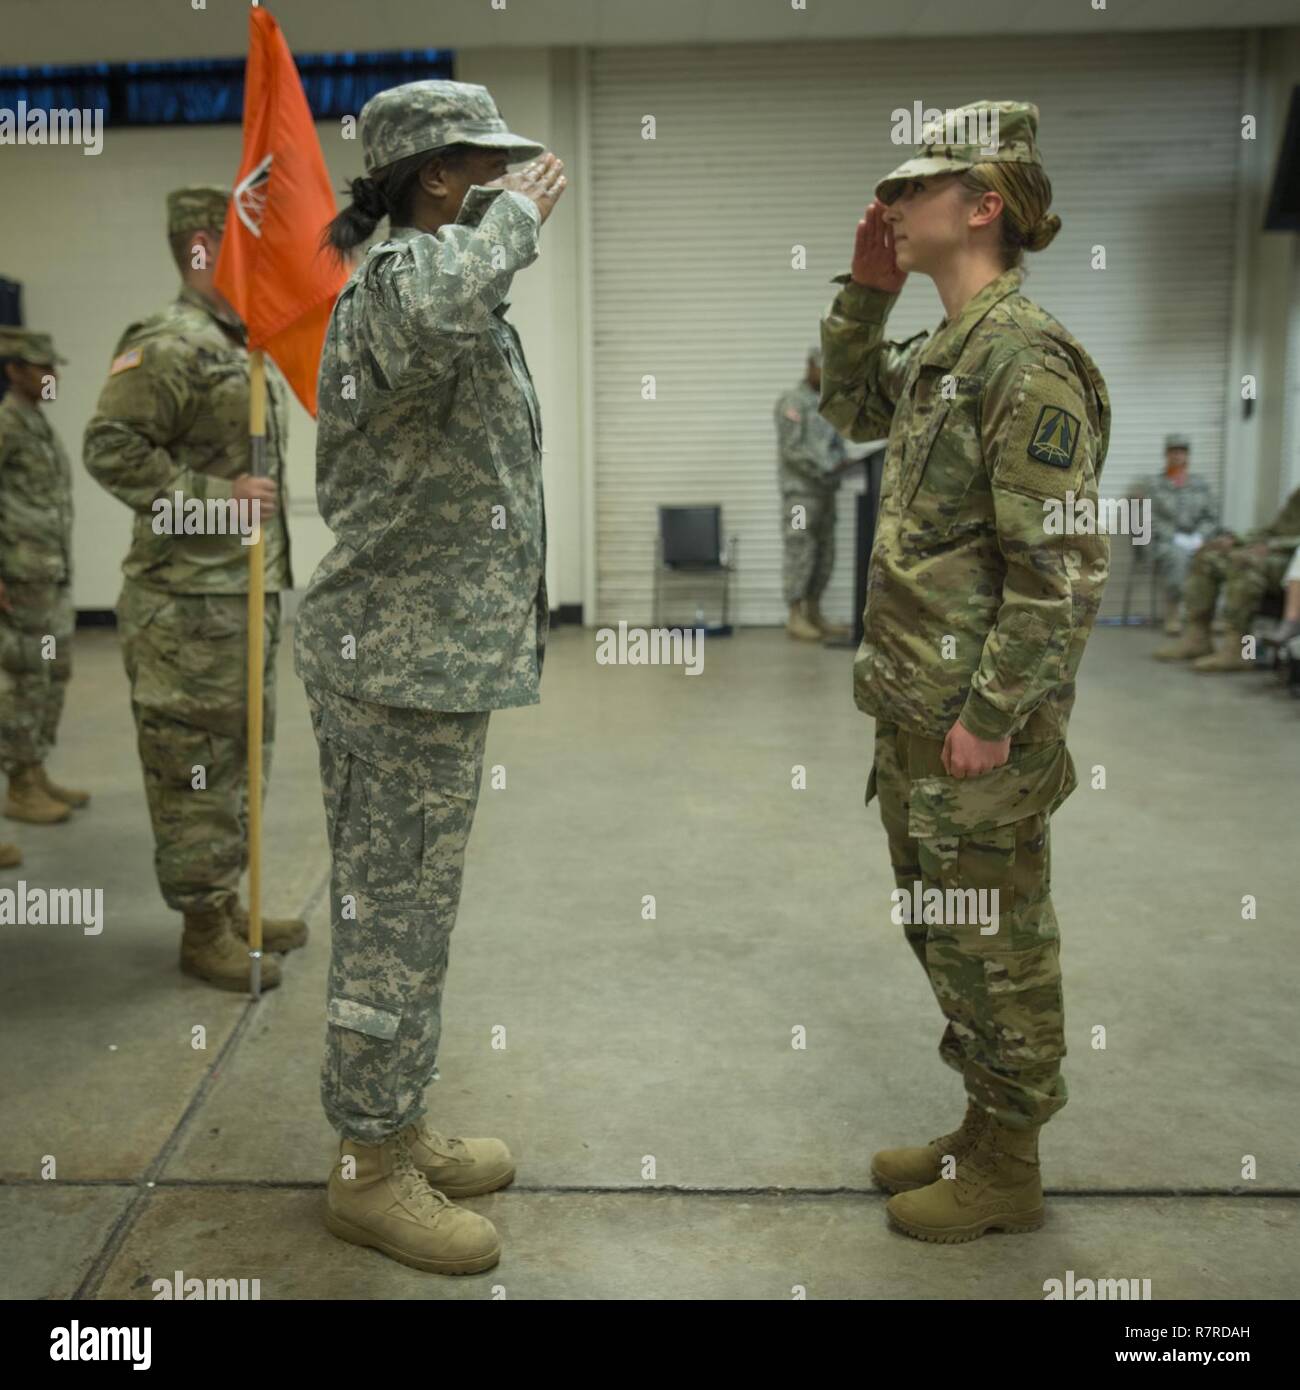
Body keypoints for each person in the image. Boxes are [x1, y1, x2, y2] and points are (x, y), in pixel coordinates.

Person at [820, 101, 1110, 1242]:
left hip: (975, 724)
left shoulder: (1023, 359)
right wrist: (866, 293)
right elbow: (848, 404)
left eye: (914, 186)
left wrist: (992, 715)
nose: (889, 203)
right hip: (916, 707)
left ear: (984, 204)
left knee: (996, 942)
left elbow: (1058, 571)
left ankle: (1010, 1171)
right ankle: (985, 1126)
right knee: (946, 934)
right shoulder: (947, 351)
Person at [295, 80, 564, 1275]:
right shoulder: (403, 281)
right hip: (392, 664)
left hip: (430, 660)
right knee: (389, 914)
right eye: (484, 166)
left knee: (416, 911)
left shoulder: (433, 280)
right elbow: (443, 304)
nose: (508, 180)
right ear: (437, 175)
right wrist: (516, 222)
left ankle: (395, 1123)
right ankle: (366, 1167)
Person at [83, 186, 307, 992]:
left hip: (241, 594)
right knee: (194, 766)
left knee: (242, 756)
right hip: (185, 607)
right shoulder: (170, 343)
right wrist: (217, 499)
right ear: (205, 247)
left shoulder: (238, 342)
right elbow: (109, 447)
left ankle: (231, 901)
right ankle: (201, 927)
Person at [0, 327, 84, 863]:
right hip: (20, 576)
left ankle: (36, 768)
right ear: (13, 370)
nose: (51, 376)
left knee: (54, 670)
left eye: (54, 368)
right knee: (28, 675)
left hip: (49, 574)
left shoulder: (36, 422)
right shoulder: (7, 423)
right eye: (40, 367)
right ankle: (19, 781)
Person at [1154, 485, 1300, 671]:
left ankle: (1238, 649)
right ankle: (1197, 637)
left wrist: (1272, 545)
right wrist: (1237, 539)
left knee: (1243, 563)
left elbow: (1282, 540)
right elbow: (1274, 530)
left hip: (1292, 560)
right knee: (1208, 556)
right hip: (1275, 553)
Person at [775, 347, 852, 639]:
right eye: (822, 367)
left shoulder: (831, 403)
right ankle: (795, 615)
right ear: (810, 367)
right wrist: (826, 468)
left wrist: (844, 462)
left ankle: (814, 612)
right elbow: (792, 450)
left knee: (824, 553)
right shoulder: (792, 402)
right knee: (800, 549)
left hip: (826, 493)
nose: (826, 374)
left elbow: (837, 443)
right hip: (801, 496)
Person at [1144, 433, 1217, 635]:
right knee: (1178, 557)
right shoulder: (1155, 485)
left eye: (1182, 452)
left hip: (1198, 540)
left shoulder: (1200, 485)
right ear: (1166, 455)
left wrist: (1200, 536)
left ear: (1187, 456)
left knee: (1217, 559)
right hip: (1166, 541)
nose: (1177, 456)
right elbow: (1148, 518)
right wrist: (1174, 537)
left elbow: (1211, 517)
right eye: (1173, 452)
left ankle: (1208, 615)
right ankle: (1174, 612)